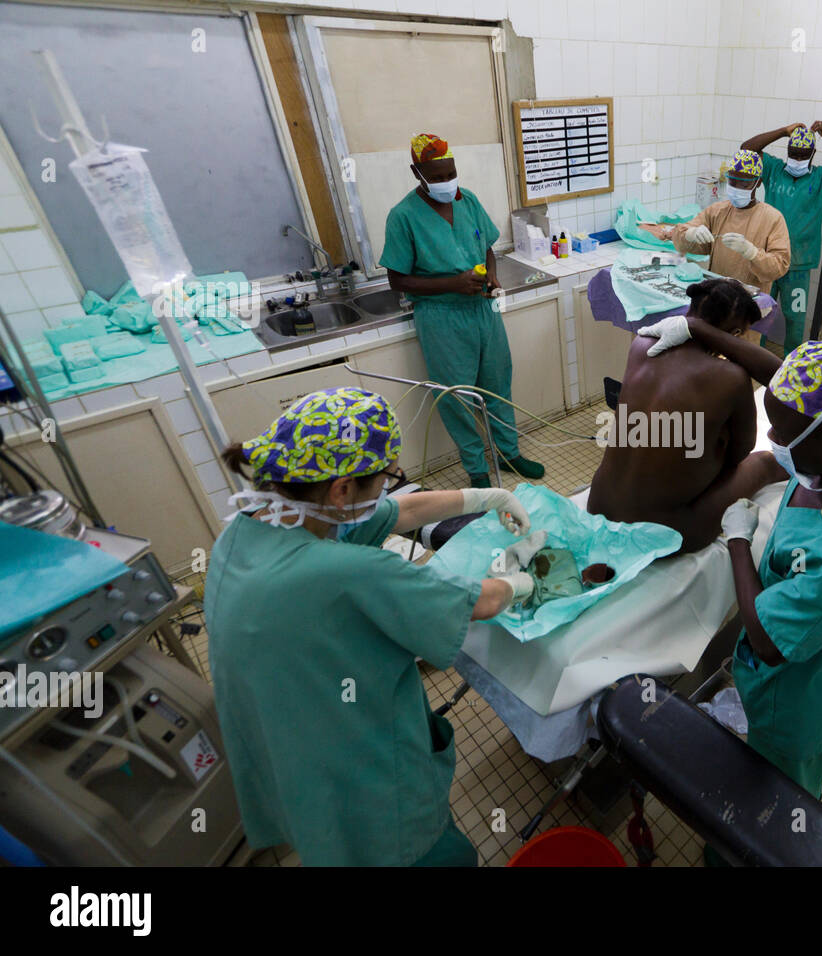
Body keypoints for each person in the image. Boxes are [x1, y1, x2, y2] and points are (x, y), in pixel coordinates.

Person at [205, 387, 536, 866]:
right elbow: (477, 603)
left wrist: (489, 497)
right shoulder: (345, 572)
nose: (388, 488)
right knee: (427, 853)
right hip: (366, 776)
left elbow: (402, 511)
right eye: (385, 478)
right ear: (341, 490)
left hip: (289, 746)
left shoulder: (248, 529)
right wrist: (519, 581)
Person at [638, 319, 822, 798]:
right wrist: (697, 327)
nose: (774, 440)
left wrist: (739, 541)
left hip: (797, 701)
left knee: (778, 794)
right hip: (786, 662)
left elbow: (766, 642)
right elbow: (785, 379)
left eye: (782, 433)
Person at [381, 133, 544, 488]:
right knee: (456, 396)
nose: (446, 182)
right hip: (442, 318)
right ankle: (476, 470)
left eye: (450, 173)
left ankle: (509, 452)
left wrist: (493, 277)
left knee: (498, 385)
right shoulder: (403, 217)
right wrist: (453, 284)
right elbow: (397, 280)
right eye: (436, 176)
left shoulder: (467, 200)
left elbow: (487, 246)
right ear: (417, 173)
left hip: (483, 310)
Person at [586, 277, 786, 552]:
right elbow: (741, 452)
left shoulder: (642, 345)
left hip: (599, 506)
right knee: (765, 461)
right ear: (736, 334)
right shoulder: (731, 377)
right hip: (669, 532)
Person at [741, 122, 822, 355]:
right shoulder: (774, 170)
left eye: (802, 155)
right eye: (793, 153)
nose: (796, 159)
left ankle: (791, 369)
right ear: (787, 151)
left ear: (812, 155)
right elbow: (747, 149)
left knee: (795, 321)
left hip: (798, 266)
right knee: (758, 314)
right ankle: (754, 359)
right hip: (766, 260)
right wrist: (781, 131)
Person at [666, 148, 791, 295]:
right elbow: (679, 238)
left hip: (750, 304)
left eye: (744, 185)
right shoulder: (717, 211)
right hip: (716, 297)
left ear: (758, 183)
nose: (737, 188)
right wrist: (689, 234)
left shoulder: (773, 218)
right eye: (732, 181)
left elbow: (779, 266)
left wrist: (751, 252)